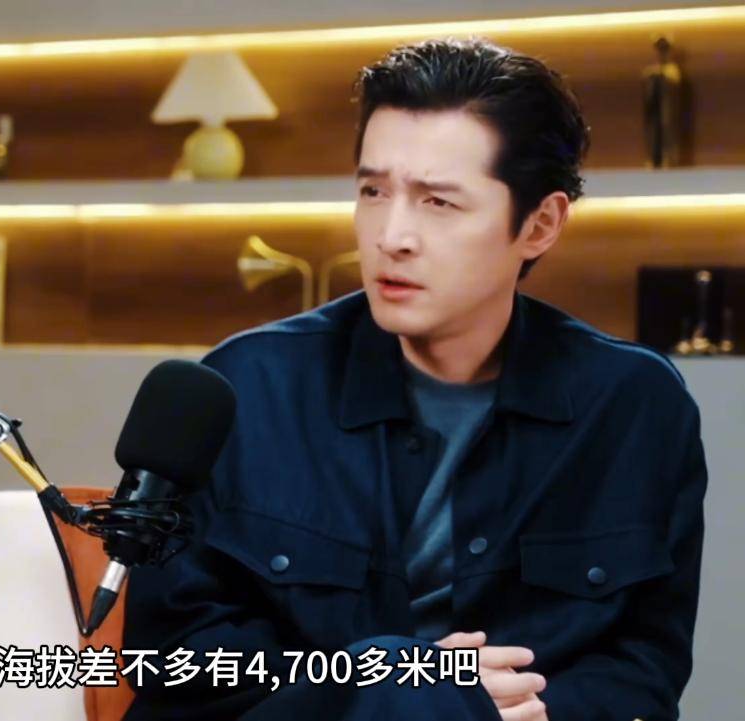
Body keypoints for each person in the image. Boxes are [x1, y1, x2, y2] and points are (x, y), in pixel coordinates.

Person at [121, 36, 707, 721]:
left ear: (539, 224)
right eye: (373, 191)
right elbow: (174, 662)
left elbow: (644, 665)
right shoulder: (245, 388)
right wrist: (398, 688)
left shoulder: (633, 405)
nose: (390, 236)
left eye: (438, 203)